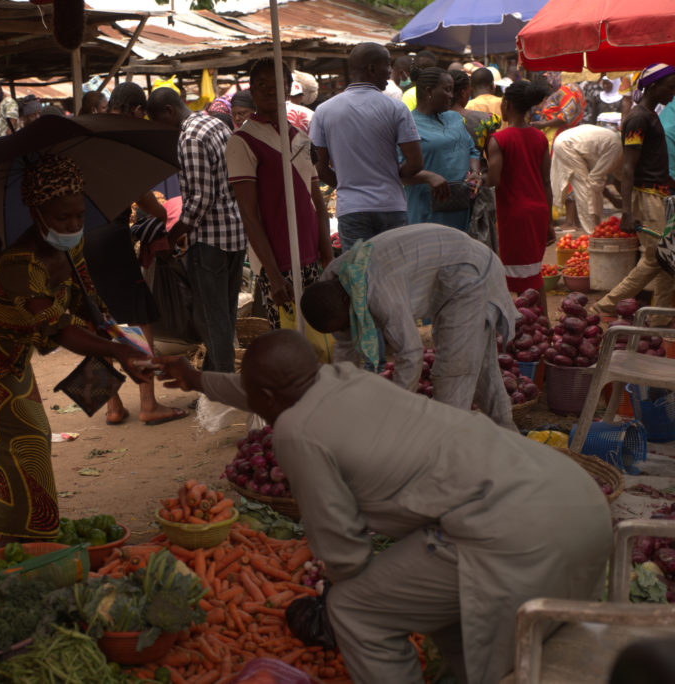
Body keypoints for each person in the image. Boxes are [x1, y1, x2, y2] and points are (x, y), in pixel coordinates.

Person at [157, 329, 612, 684]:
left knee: (356, 610)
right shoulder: (341, 377)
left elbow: (343, 552)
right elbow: (259, 387)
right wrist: (197, 380)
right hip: (576, 500)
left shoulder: (295, 431)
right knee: (436, 607)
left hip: (514, 533)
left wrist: (334, 590)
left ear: (270, 400)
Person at [0, 156, 152, 541]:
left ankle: (13, 529)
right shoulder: (19, 262)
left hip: (11, 349)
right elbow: (58, 329)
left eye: (79, 216)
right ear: (36, 212)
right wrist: (118, 353)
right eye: (62, 218)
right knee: (27, 432)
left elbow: (86, 302)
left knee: (9, 434)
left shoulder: (70, 246)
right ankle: (25, 536)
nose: (74, 226)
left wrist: (124, 344)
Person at [301, 222, 518, 428]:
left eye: (343, 325)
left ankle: (447, 453)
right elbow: (344, 348)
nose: (344, 331)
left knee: (453, 374)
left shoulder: (377, 288)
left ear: (346, 301)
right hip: (456, 261)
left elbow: (411, 354)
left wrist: (394, 412)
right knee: (482, 368)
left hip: (468, 269)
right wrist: (340, 396)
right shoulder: (334, 280)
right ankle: (508, 438)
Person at [85, 82, 188, 426]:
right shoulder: (121, 137)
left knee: (96, 322)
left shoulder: (89, 131)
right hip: (110, 237)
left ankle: (113, 407)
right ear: (134, 110)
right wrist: (165, 215)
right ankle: (148, 403)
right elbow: (142, 198)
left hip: (79, 239)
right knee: (136, 318)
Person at [227, 58, 335, 329]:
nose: (270, 90)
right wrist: (273, 274)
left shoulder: (298, 136)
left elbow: (316, 200)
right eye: (261, 84)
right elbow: (249, 215)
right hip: (277, 260)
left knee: (320, 337)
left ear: (288, 89)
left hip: (311, 252)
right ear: (252, 91)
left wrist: (327, 254)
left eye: (277, 84)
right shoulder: (242, 142)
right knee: (290, 340)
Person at [146, 87, 246, 372]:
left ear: (168, 111)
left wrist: (174, 234)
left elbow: (201, 198)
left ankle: (221, 387)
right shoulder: (215, 123)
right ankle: (216, 379)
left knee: (211, 319)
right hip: (235, 234)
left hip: (211, 240)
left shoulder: (190, 137)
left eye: (159, 123)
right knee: (223, 314)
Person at [311, 42, 425, 250]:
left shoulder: (324, 110)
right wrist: (391, 176)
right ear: (372, 68)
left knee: (358, 277)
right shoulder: (396, 108)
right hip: (391, 206)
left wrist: (347, 184)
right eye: (387, 64)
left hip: (351, 208)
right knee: (393, 273)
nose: (390, 71)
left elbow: (319, 167)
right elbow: (416, 162)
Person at [591, 64, 675, 317]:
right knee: (655, 260)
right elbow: (628, 168)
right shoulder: (638, 119)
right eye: (670, 87)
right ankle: (602, 307)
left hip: (658, 196)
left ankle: (660, 321)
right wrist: (626, 211)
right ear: (653, 86)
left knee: (667, 264)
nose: (673, 93)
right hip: (647, 197)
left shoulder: (650, 116)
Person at [486, 80, 553, 296]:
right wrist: (549, 221)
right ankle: (542, 326)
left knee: (513, 278)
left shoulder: (499, 139)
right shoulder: (540, 137)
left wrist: (476, 174)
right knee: (533, 274)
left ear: (506, 104)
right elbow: (546, 182)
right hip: (538, 211)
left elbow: (493, 179)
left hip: (514, 214)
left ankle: (526, 325)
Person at [405, 67, 480, 232]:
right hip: (427, 213)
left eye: (452, 90)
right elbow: (396, 170)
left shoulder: (454, 118)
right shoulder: (408, 124)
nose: (452, 96)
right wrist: (427, 176)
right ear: (429, 91)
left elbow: (472, 150)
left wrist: (475, 171)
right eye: (447, 90)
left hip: (461, 210)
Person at [450, 69, 500, 251]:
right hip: (479, 189)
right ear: (464, 92)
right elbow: (494, 162)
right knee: (482, 243)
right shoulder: (485, 121)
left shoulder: (434, 120)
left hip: (446, 191)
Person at [551, 124, 623, 234]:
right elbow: (596, 179)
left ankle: (595, 227)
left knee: (590, 186)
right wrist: (615, 200)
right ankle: (592, 231)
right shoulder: (618, 150)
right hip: (567, 145)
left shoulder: (616, 145)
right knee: (584, 187)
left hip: (567, 141)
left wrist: (615, 199)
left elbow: (604, 180)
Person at [531, 72, 585, 148]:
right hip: (556, 132)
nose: (548, 82)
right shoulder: (568, 88)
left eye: (550, 77)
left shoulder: (566, 89)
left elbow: (565, 117)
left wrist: (543, 124)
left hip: (557, 133)